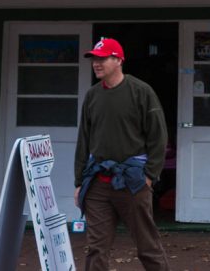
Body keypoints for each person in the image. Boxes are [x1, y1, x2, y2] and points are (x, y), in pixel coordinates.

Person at [74, 37, 170, 271]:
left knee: (147, 246)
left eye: (102, 58)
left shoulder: (141, 92)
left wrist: (149, 176)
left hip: (132, 181)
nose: (96, 63)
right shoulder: (92, 95)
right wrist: (79, 182)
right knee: (96, 247)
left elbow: (159, 136)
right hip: (97, 182)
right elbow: (84, 139)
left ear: (118, 60)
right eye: (94, 59)